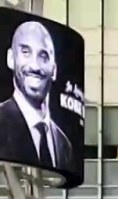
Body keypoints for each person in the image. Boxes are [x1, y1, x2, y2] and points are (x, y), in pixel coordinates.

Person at [0, 22, 74, 173]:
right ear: (10, 59)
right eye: (26, 52)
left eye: (43, 56)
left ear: (54, 70)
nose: (34, 66)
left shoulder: (64, 145)